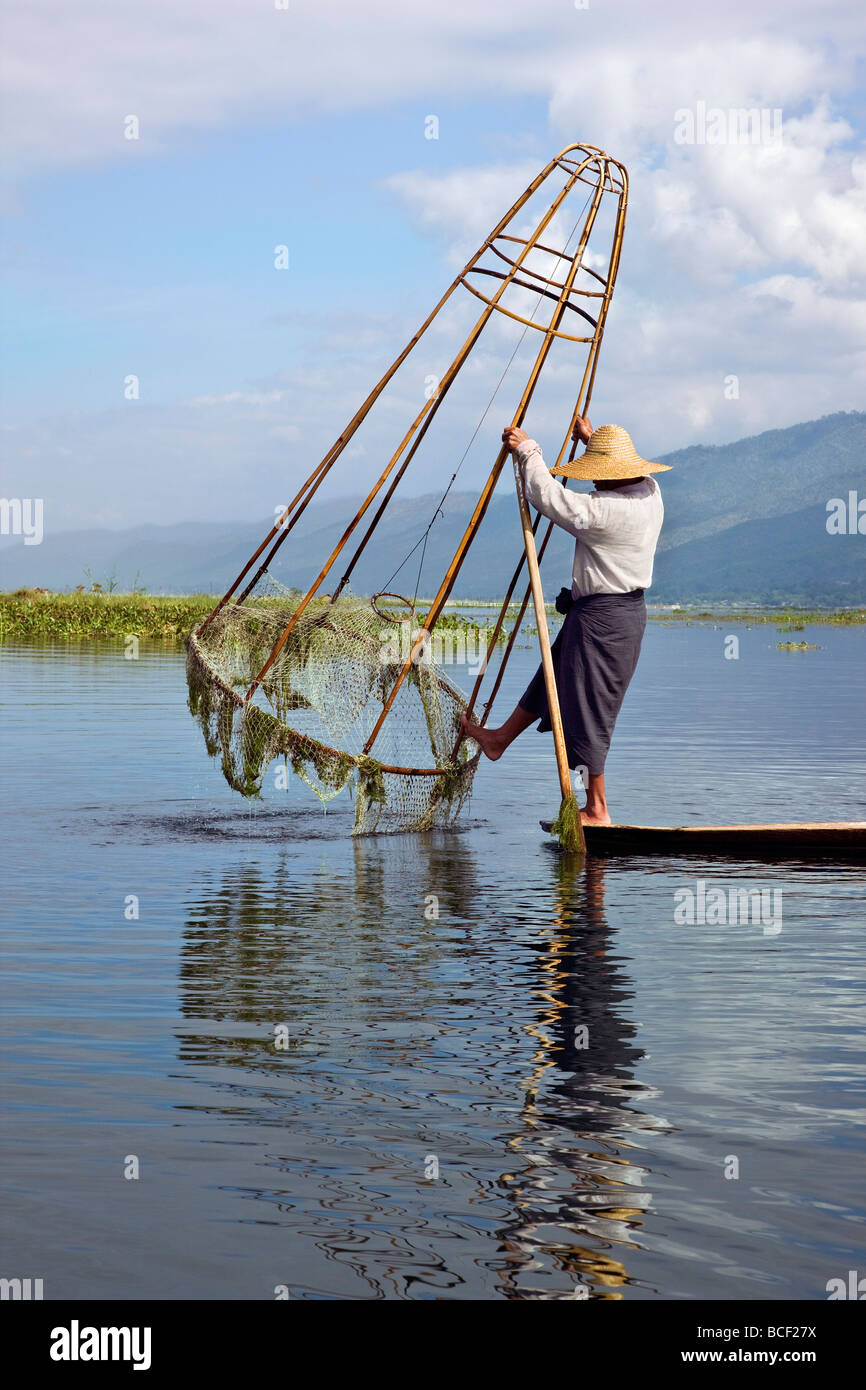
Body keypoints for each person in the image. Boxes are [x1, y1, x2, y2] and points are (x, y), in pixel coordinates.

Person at [461, 415, 671, 825]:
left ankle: (596, 807)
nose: (593, 482)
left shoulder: (603, 512)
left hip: (604, 622)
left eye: (598, 474)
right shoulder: (651, 493)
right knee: (552, 676)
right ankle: (500, 739)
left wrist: (528, 450)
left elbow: (547, 496)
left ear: (611, 478)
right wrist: (592, 440)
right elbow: (630, 477)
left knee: (589, 707)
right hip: (615, 615)